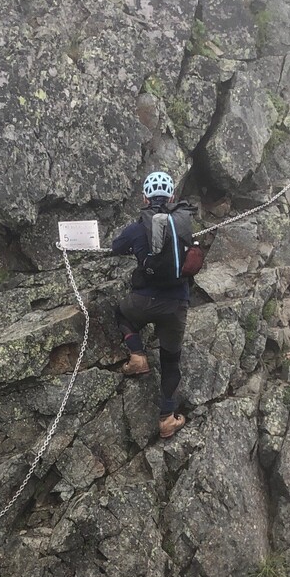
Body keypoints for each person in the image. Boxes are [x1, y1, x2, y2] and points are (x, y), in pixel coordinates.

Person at [111, 170, 196, 439]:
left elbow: (116, 247)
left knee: (121, 313)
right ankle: (167, 419)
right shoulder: (184, 223)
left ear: (145, 197)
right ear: (172, 195)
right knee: (171, 362)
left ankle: (137, 355)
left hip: (143, 300)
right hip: (176, 304)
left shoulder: (137, 227)